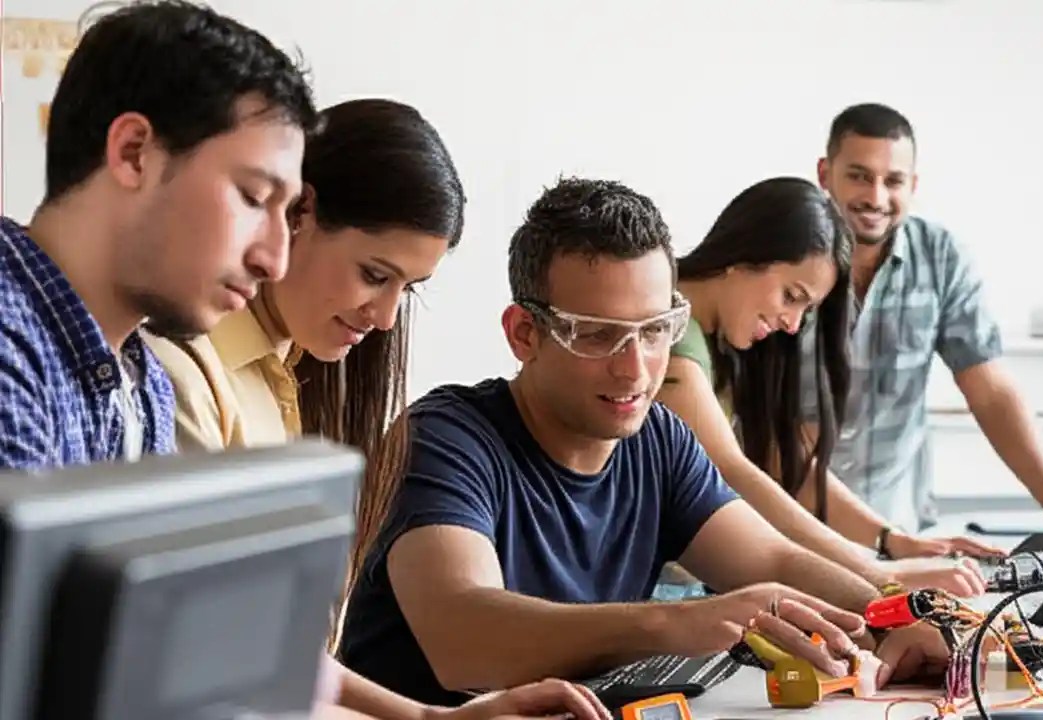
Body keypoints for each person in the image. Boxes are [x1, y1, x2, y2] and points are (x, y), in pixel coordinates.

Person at [336, 177, 950, 708]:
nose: (635, 371)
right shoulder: (445, 439)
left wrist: (897, 616)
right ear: (525, 333)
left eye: (655, 332)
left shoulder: (657, 439)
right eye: (598, 336)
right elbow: (463, 639)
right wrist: (679, 622)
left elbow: (771, 561)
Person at [143, 97, 607, 720]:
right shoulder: (181, 376)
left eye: (406, 289)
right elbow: (216, 668)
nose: (386, 317)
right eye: (373, 274)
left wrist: (432, 718)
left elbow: (281, 654)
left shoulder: (287, 380)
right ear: (298, 211)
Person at [0, 0, 313, 472]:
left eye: (285, 212)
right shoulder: (9, 346)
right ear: (134, 153)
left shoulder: (147, 388)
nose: (275, 262)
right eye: (252, 197)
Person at [659, 177, 999, 599]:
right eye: (791, 295)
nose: (793, 323)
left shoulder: (723, 341)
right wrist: (879, 575)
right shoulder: (670, 336)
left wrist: (891, 542)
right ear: (743, 258)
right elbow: (731, 471)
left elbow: (790, 465)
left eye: (806, 308)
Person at [801, 102, 1043, 541]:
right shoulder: (786, 252)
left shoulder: (942, 256)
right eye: (858, 175)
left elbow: (990, 392)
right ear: (824, 172)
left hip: (899, 529)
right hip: (791, 527)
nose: (875, 197)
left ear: (913, 184)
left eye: (893, 181)